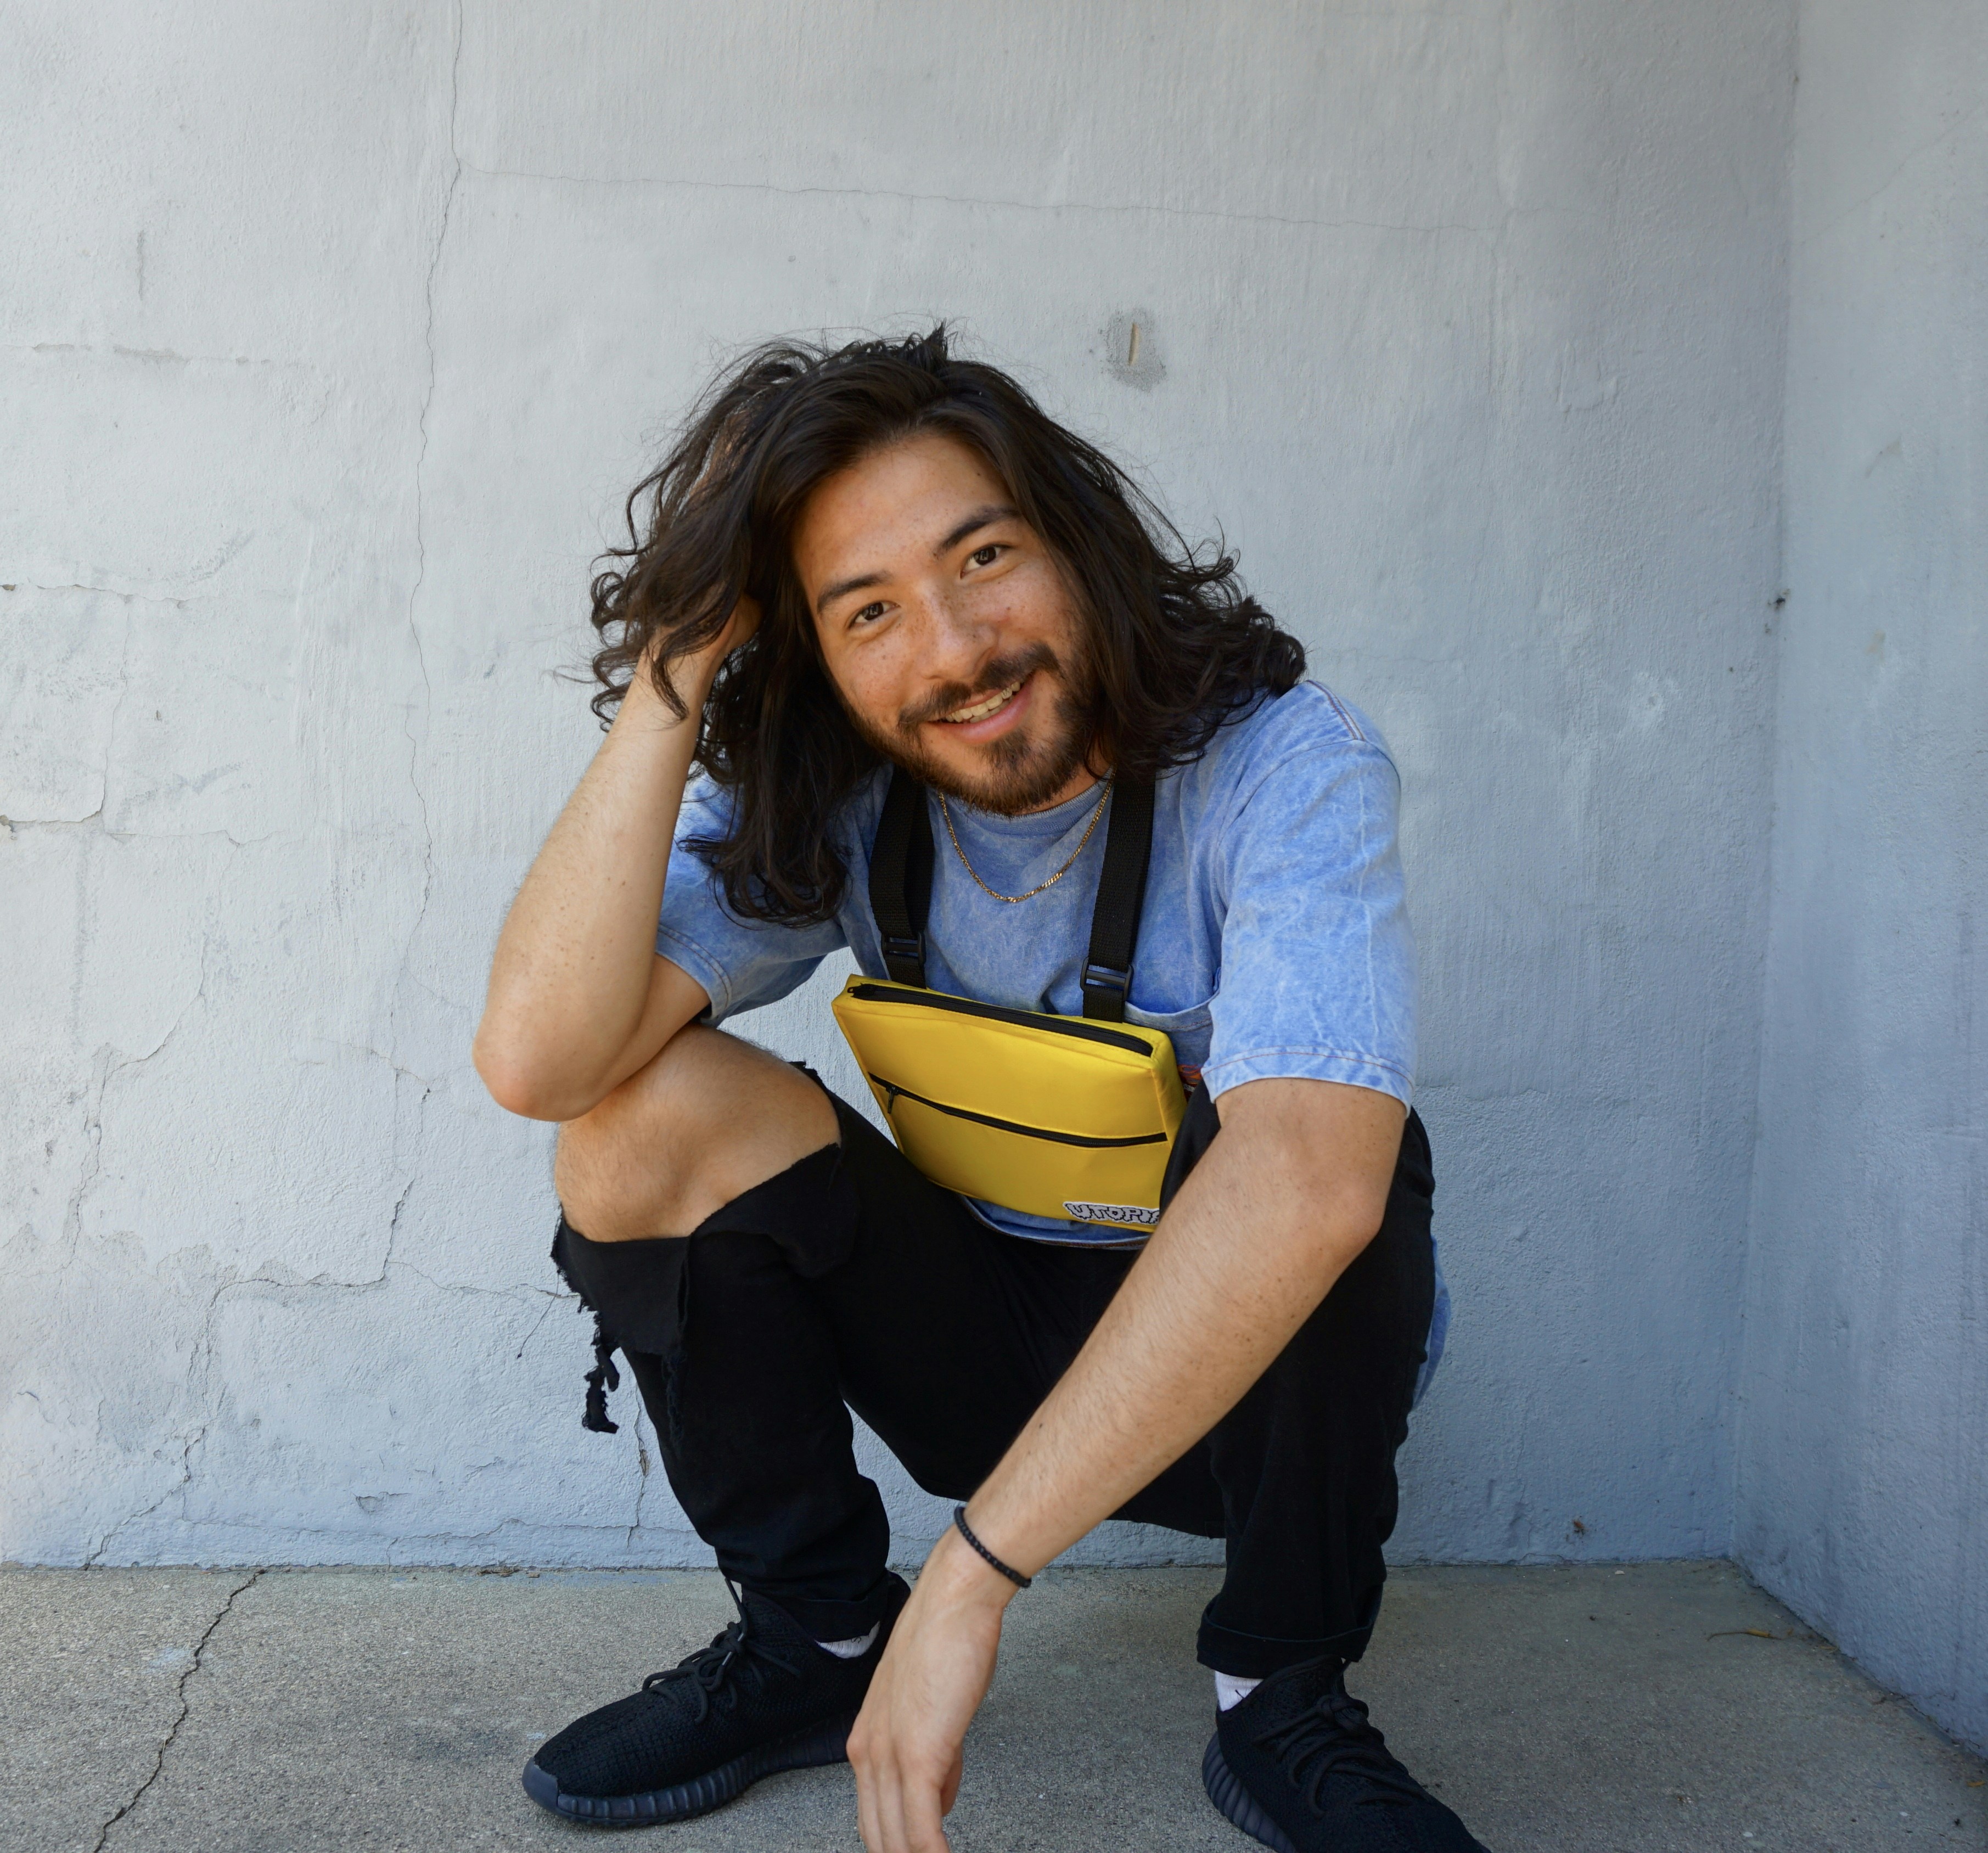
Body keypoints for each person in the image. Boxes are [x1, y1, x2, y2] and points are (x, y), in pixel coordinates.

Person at [473, 327, 1478, 1853]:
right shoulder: (845, 786)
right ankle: (815, 1646)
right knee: (636, 1118)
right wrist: (674, 673)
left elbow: (1311, 1188)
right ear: (808, 651)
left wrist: (971, 1580)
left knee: (1326, 1144)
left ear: (1075, 539)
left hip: (1259, 1410)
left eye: (984, 557)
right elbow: (539, 1060)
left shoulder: (1287, 767)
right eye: (867, 613)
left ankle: (1282, 1695)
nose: (951, 652)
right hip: (986, 1357)